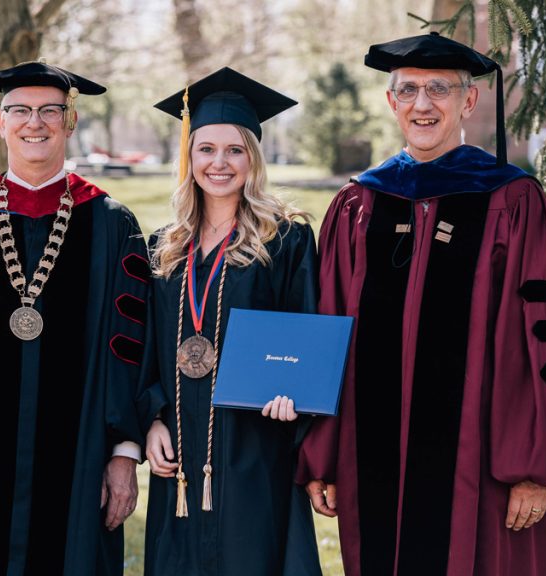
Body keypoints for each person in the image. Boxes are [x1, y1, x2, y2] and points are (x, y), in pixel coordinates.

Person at [298, 32, 546, 576]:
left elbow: (538, 337)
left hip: (484, 468)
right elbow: (329, 333)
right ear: (391, 102)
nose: (423, 104)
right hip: (373, 463)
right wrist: (323, 456)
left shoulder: (513, 200)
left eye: (439, 89)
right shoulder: (359, 203)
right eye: (409, 90)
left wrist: (531, 467)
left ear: (468, 101)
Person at [0, 61, 148, 576]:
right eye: (20, 110)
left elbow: (128, 346)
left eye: (49, 111)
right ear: (1, 122)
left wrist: (124, 453)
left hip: (81, 454)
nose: (34, 123)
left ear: (71, 122)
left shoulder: (111, 224)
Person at [140, 68, 322, 576]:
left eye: (235, 150)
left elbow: (305, 331)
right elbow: (144, 344)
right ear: (189, 156)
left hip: (255, 440)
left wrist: (295, 393)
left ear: (253, 159)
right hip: (177, 441)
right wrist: (152, 416)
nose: (219, 163)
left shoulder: (285, 240)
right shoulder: (163, 246)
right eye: (206, 149)